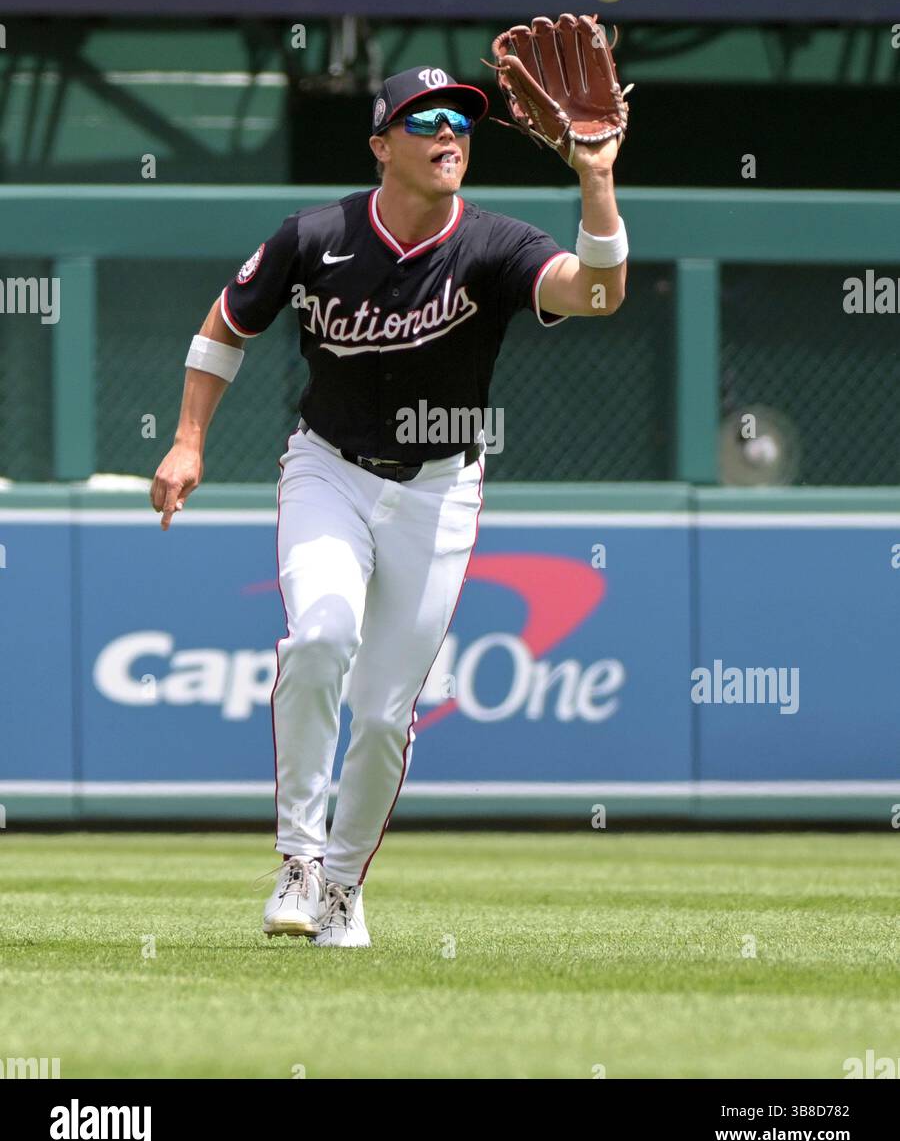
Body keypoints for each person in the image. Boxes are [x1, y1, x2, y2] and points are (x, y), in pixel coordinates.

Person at [150, 64, 627, 947]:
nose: (450, 133)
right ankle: (296, 857)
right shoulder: (316, 234)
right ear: (380, 146)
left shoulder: (494, 244)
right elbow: (225, 324)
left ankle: (341, 887)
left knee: (382, 716)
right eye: (425, 119)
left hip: (440, 489)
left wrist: (595, 180)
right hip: (327, 468)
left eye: (462, 120)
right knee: (323, 632)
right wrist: (188, 438)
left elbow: (597, 292)